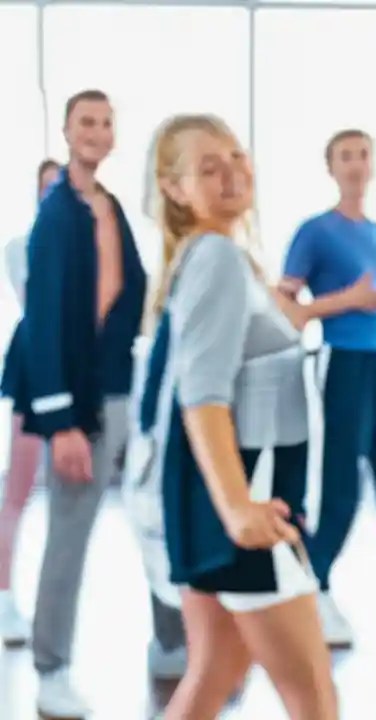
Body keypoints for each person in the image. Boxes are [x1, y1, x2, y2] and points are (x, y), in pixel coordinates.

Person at [147, 113, 336, 720]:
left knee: (213, 676)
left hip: (221, 498)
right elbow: (202, 394)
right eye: (208, 167)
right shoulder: (219, 260)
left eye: (236, 156)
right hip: (245, 501)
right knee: (314, 698)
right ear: (175, 189)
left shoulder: (218, 257)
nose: (231, 172)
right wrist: (238, 510)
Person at [18, 89, 151, 718]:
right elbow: (42, 321)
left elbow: (130, 296)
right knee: (69, 533)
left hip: (120, 388)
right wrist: (62, 421)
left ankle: (176, 647)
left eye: (105, 121)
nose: (96, 132)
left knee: (153, 519)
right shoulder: (56, 213)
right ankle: (51, 668)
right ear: (68, 133)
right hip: (78, 400)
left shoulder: (113, 207)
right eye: (85, 123)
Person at [279, 129, 376, 647]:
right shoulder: (314, 232)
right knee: (342, 483)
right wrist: (348, 300)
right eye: (345, 156)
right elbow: (286, 306)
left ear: (372, 164)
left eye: (363, 155)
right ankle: (313, 582)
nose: (356, 164)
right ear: (330, 167)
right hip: (343, 363)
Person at [0, 158, 60, 649]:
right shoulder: (22, 247)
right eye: (47, 187)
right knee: (16, 491)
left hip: (76, 368)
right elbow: (39, 303)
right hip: (34, 364)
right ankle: (3, 598)